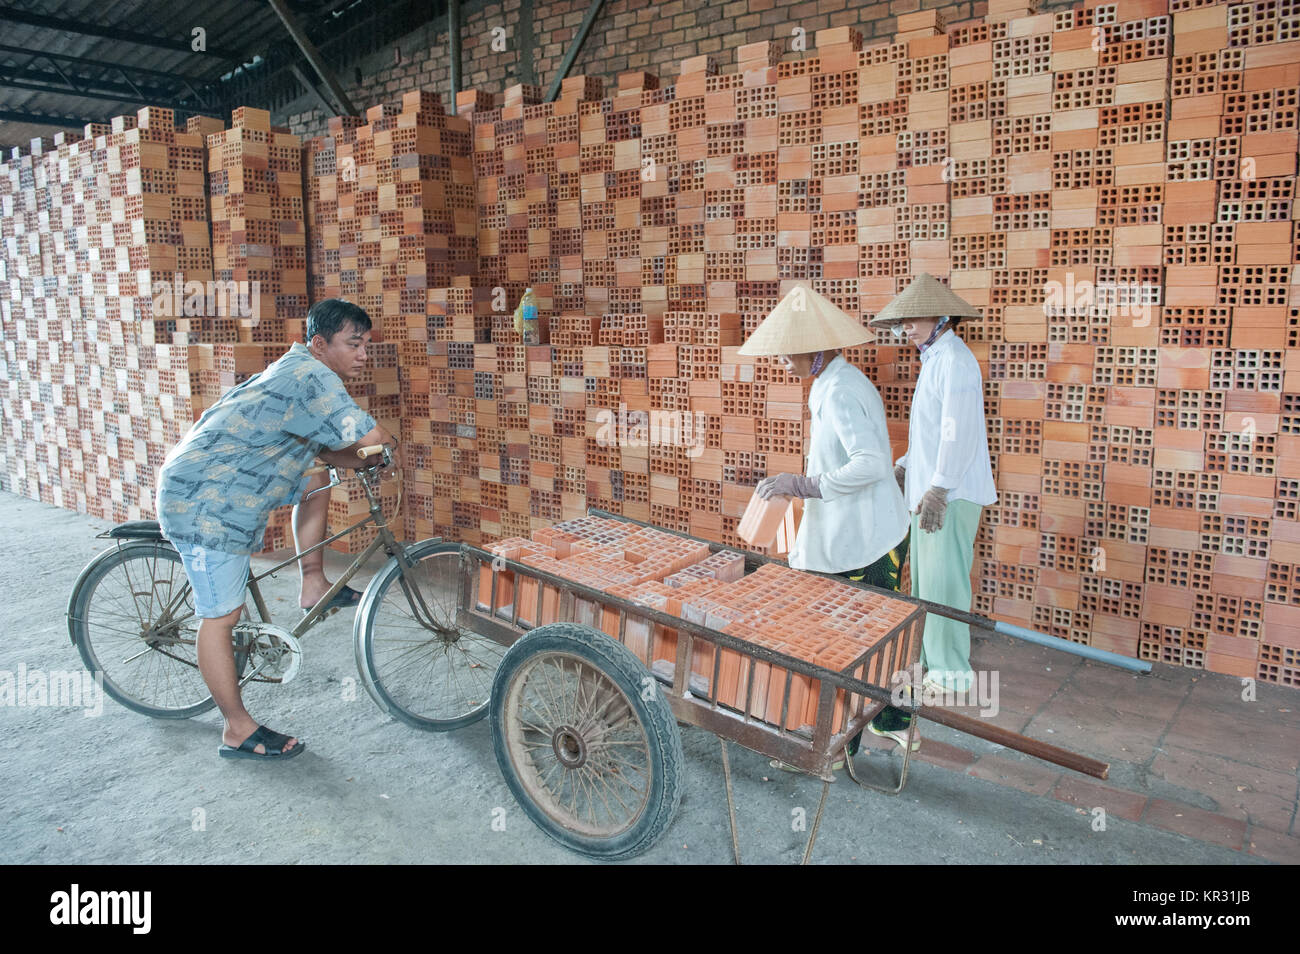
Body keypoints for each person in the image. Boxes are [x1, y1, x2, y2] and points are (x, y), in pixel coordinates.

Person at [156, 299, 399, 760]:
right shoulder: (312, 376)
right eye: (354, 343)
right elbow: (370, 440)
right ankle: (236, 729)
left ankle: (313, 583)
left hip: (224, 488)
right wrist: (390, 448)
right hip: (205, 500)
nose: (364, 354)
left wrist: (370, 458)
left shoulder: (301, 369)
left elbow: (332, 453)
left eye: (367, 344)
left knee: (317, 478)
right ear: (319, 343)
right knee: (222, 616)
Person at [739, 284, 913, 766]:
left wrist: (804, 484)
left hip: (866, 542)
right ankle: (876, 730)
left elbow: (872, 464)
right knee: (868, 640)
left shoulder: (839, 390)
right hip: (862, 533)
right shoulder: (835, 381)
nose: (783, 363)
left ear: (813, 352)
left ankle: (845, 741)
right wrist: (799, 484)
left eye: (788, 355)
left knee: (847, 642)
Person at [868, 273, 997, 731]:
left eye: (911, 320)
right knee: (924, 582)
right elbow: (931, 432)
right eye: (901, 322)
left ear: (940, 317)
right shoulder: (935, 358)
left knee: (943, 585)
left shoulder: (955, 360)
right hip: (930, 493)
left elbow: (957, 433)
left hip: (951, 496)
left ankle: (952, 674)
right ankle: (932, 662)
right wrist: (906, 464)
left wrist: (940, 487)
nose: (905, 329)